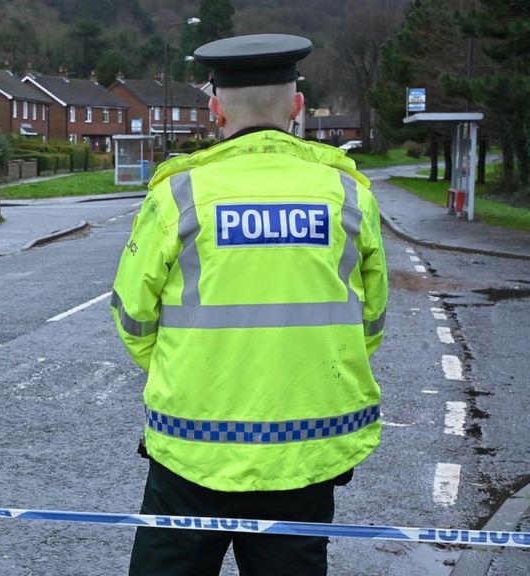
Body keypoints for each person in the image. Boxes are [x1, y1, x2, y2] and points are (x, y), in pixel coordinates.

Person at [111, 34, 389, 576]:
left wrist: (190, 369)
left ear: (215, 109)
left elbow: (132, 316)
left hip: (192, 452)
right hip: (305, 456)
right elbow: (370, 320)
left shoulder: (178, 194)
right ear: (297, 106)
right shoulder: (348, 193)